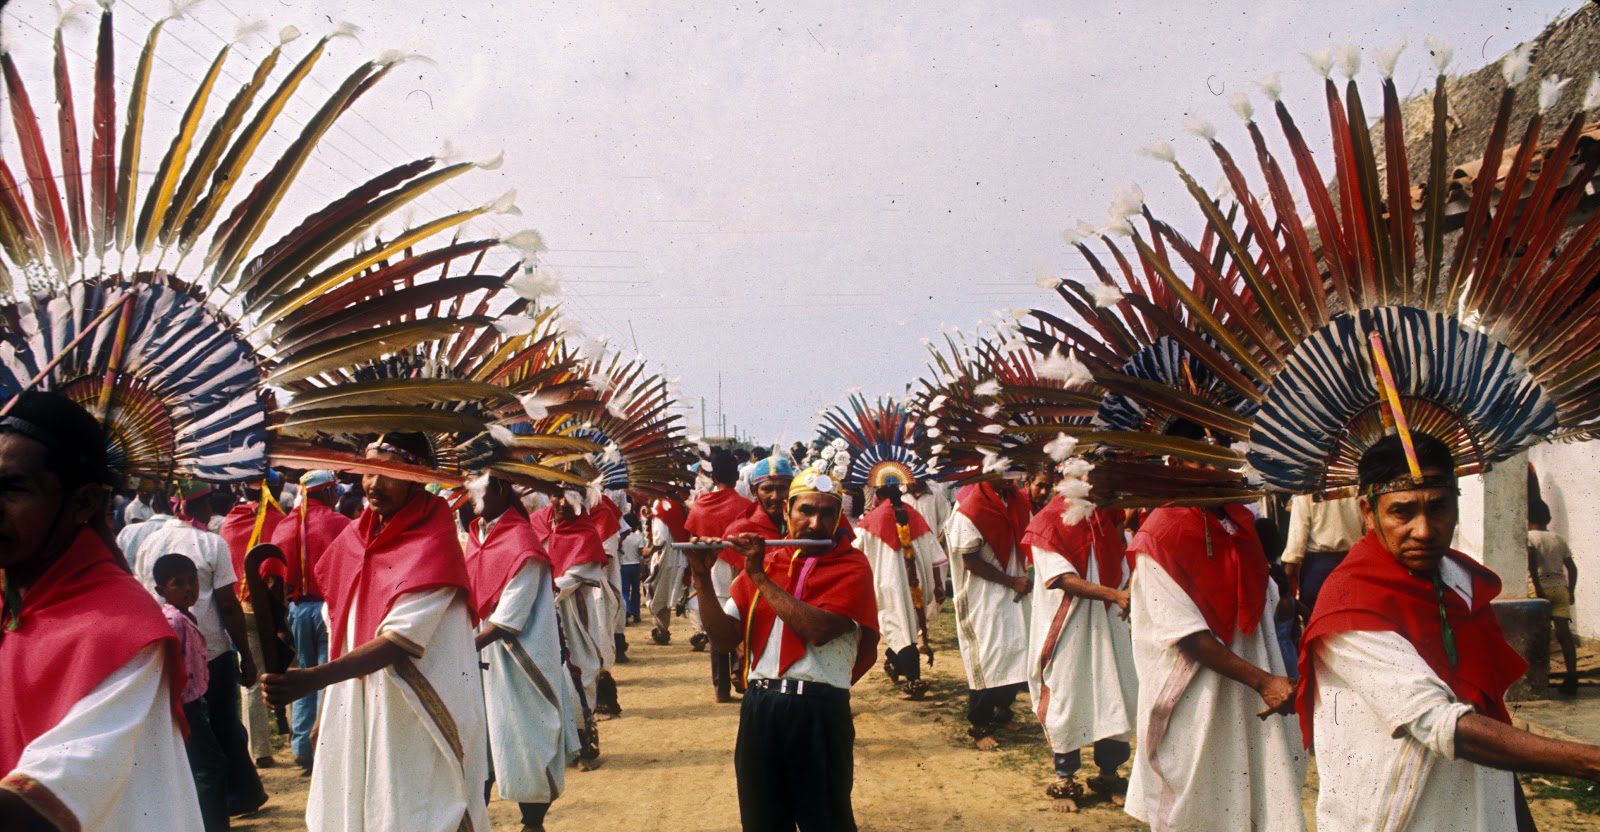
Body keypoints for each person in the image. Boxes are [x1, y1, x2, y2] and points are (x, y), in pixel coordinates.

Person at [1299, 433, 1600, 832]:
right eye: (1402, 512)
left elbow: (1488, 710)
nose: (1424, 531)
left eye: (1438, 508)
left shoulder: (1457, 581)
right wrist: (1588, 760)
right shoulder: (1350, 605)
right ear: (1367, 513)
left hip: (1475, 797)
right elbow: (1439, 722)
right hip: (1397, 811)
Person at [261, 433, 489, 832]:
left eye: (389, 473)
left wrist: (314, 679)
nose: (373, 484)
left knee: (411, 809)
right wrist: (328, 708)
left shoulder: (434, 543)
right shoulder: (353, 538)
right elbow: (343, 633)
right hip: (354, 698)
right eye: (369, 472)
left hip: (414, 707)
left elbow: (399, 641)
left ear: (417, 477)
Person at [0, 392, 203, 832]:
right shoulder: (10, 599)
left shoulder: (123, 630)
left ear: (85, 503)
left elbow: (42, 801)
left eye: (13, 489)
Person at [1123, 422, 1307, 832]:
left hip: (1252, 678)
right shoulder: (1160, 534)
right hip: (1198, 690)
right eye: (1201, 459)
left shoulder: (1241, 522)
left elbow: (1264, 606)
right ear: (1174, 463)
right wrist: (1263, 681)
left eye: (1222, 457)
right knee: (1199, 793)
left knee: (1254, 787)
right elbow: (1187, 636)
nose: (1215, 468)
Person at [689, 466, 879, 832]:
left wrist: (758, 576)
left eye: (826, 513)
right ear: (788, 514)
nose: (814, 522)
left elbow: (817, 629)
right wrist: (701, 577)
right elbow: (726, 639)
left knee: (824, 822)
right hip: (760, 707)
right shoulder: (768, 562)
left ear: (839, 517)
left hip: (819, 712)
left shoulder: (852, 566)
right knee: (762, 822)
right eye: (805, 510)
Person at [133, 480, 269, 817]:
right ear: (205, 504)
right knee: (224, 725)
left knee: (188, 736)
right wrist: (247, 655)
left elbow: (142, 598)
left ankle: (215, 801)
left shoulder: (150, 542)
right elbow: (227, 603)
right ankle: (234, 798)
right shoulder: (211, 542)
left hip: (169, 655)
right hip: (212, 653)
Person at [467, 475, 578, 832]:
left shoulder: (521, 541)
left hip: (518, 660)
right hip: (479, 656)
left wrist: (461, 648)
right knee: (479, 746)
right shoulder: (477, 536)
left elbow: (507, 620)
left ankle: (533, 824)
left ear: (500, 489)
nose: (469, 496)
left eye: (476, 487)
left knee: (524, 741)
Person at [1022, 494, 1137, 813]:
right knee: (1068, 698)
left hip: (1108, 621)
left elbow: (1121, 562)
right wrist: (1115, 594)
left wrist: (1122, 593)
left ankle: (1108, 775)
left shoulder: (1108, 516)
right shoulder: (1047, 520)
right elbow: (1060, 578)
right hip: (1067, 627)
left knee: (1118, 696)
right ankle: (1065, 778)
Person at [267, 470, 351, 773]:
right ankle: (324, 744)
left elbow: (274, 580)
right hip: (329, 608)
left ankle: (302, 745)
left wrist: (280, 623)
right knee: (324, 675)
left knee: (302, 673)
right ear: (328, 493)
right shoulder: (340, 524)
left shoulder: (285, 525)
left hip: (297, 608)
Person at [946, 475, 1037, 749]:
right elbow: (971, 560)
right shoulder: (970, 508)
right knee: (989, 656)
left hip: (1015, 587)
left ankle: (1002, 711)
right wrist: (1011, 581)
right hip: (983, 595)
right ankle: (979, 724)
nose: (1012, 477)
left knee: (1016, 650)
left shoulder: (1018, 501)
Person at [529, 488, 611, 766]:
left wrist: (544, 589)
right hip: (537, 608)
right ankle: (558, 745)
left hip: (573, 611)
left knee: (581, 671)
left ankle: (586, 742)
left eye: (570, 498)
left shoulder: (585, 531)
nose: (562, 503)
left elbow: (578, 575)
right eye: (556, 496)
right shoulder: (537, 521)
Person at [155, 553, 230, 831]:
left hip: (194, 702)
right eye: (179, 584)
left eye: (192, 581)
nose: (189, 588)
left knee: (204, 766)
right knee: (212, 766)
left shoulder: (188, 615)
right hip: (185, 706)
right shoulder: (173, 621)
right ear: (162, 591)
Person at [218, 474, 287, 769]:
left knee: (252, 679)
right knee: (283, 671)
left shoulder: (229, 521)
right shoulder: (276, 520)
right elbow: (275, 574)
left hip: (236, 608)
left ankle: (259, 749)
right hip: (266, 610)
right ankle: (295, 740)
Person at [855, 482, 941, 700]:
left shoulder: (869, 522)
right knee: (906, 628)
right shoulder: (915, 516)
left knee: (900, 628)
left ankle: (913, 679)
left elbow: (854, 553)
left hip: (888, 586)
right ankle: (897, 665)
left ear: (879, 495)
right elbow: (936, 555)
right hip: (918, 584)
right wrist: (938, 584)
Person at [684, 449, 756, 701]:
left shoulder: (700, 506)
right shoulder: (745, 506)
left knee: (715, 625)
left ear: (713, 477)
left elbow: (690, 535)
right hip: (738, 569)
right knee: (741, 621)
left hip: (709, 568)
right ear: (736, 477)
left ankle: (720, 687)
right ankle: (740, 672)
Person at [1281, 493, 1363, 621]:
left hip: (1319, 570)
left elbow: (1296, 544)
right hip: (1353, 564)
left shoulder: (1306, 491)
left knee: (1319, 624)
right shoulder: (1355, 485)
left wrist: (1285, 583)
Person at [1528, 499, 1580, 696]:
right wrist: (1571, 591)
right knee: (1564, 635)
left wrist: (1538, 587)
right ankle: (1572, 677)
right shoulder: (1558, 538)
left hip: (1538, 589)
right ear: (1548, 518)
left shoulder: (1529, 537)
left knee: (1538, 637)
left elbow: (1532, 565)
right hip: (1560, 589)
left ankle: (1538, 678)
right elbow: (1572, 568)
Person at [644, 489, 691, 645]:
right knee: (668, 595)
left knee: (656, 594)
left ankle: (661, 630)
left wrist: (649, 550)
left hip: (664, 555)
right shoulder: (678, 504)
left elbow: (660, 538)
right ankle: (699, 631)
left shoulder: (660, 505)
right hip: (680, 555)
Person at [619, 524, 645, 625]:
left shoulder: (621, 537)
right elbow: (641, 555)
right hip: (635, 566)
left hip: (623, 566)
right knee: (635, 591)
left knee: (624, 591)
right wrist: (642, 570)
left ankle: (626, 611)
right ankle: (636, 615)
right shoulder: (638, 537)